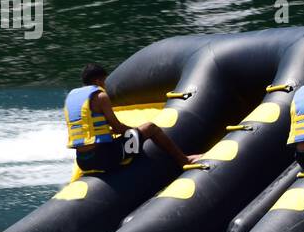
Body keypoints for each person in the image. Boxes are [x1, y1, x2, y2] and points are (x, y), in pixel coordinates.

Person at [65, 63, 202, 172]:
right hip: (103, 158)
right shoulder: (100, 96)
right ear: (98, 80)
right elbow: (118, 128)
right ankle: (184, 160)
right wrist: (136, 131)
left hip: (83, 161)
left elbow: (88, 128)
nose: (105, 85)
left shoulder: (72, 98)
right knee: (151, 127)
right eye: (104, 81)